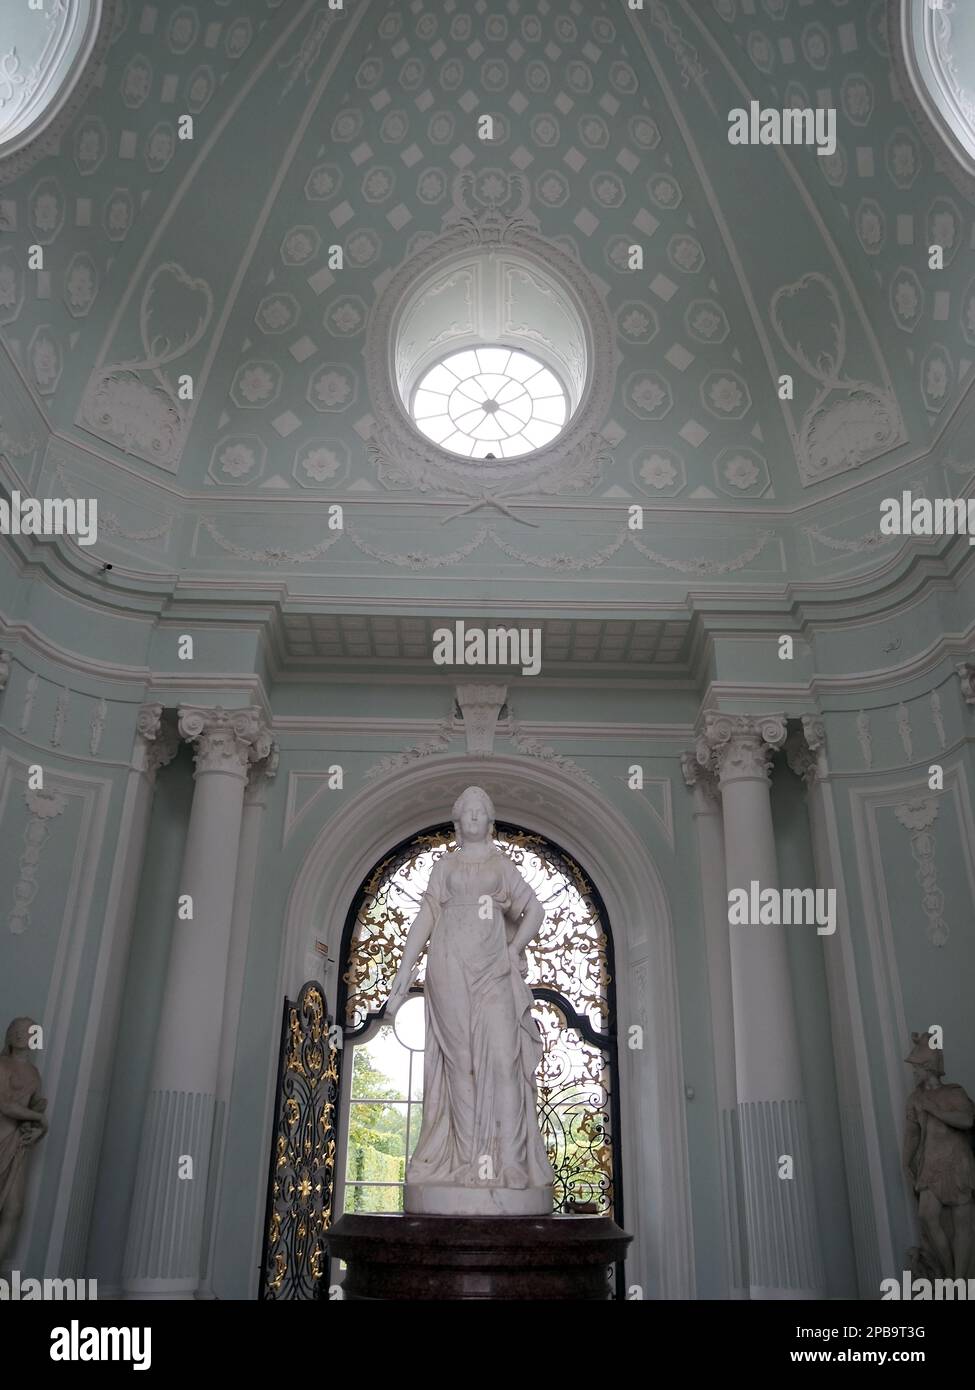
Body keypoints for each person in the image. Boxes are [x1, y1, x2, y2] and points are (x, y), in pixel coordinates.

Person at [386, 787, 554, 1212]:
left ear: (489, 820)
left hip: (493, 970)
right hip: (447, 965)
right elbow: (426, 916)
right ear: (459, 822)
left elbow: (534, 910)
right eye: (467, 811)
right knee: (460, 1062)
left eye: (481, 810)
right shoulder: (445, 867)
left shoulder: (502, 867)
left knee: (503, 1060)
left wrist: (513, 952)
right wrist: (405, 971)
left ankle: (512, 1162)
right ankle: (468, 1159)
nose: (475, 815)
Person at [0, 1017, 48, 1267]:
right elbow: (5, 1103)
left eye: (27, 1031)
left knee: (14, 1208)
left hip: (18, 1144)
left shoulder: (34, 1073)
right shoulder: (2, 1064)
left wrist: (39, 1129)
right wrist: (39, 1117)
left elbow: (35, 1105)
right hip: (1, 1136)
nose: (20, 1034)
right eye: (16, 1030)